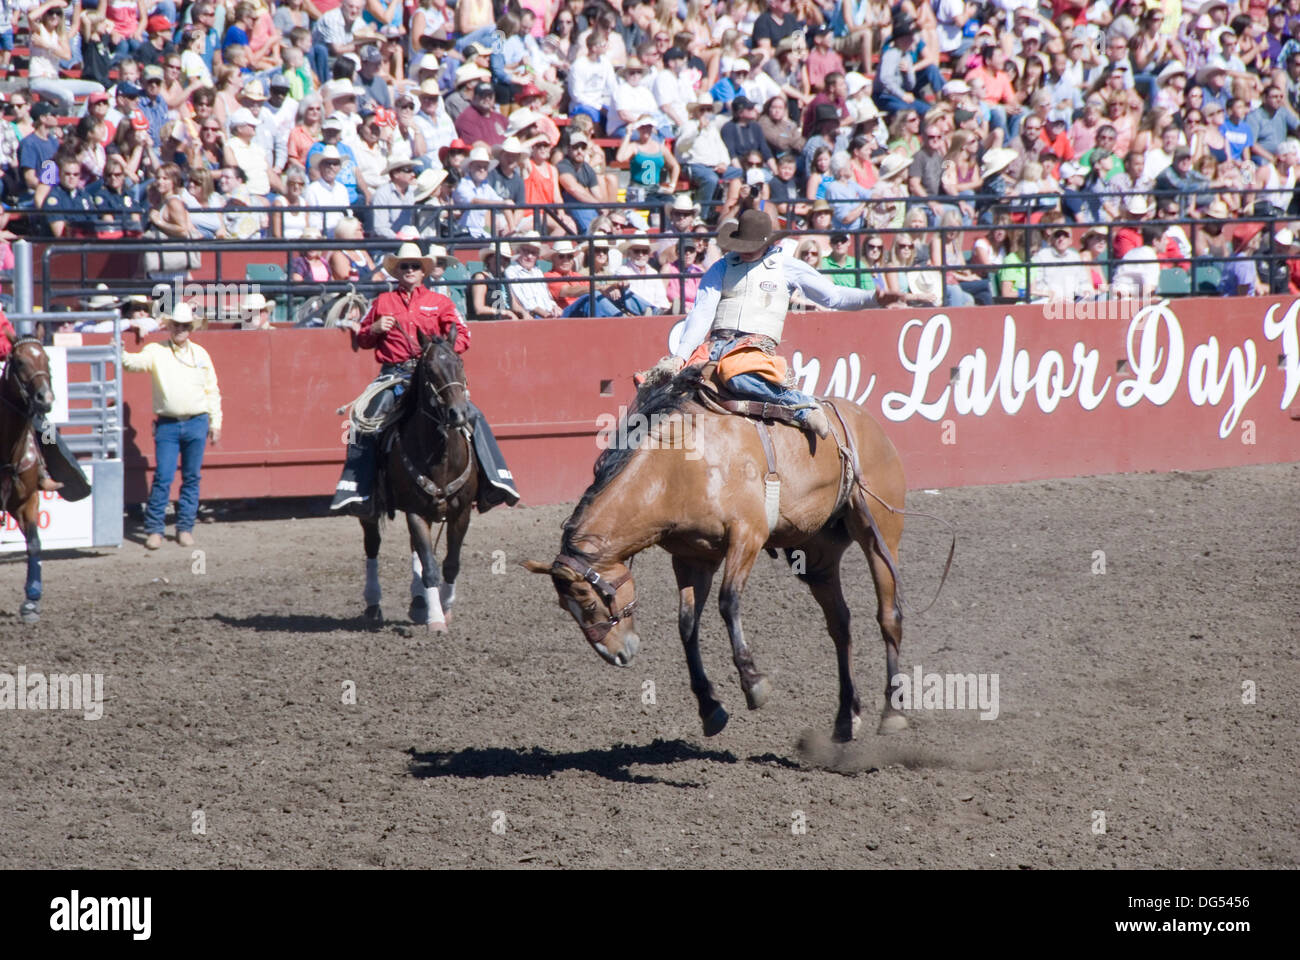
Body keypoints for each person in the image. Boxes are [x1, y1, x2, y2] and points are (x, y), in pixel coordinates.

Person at [653, 209, 884, 438]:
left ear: (765, 244)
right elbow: (702, 313)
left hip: (753, 348)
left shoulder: (786, 266)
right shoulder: (721, 266)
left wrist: (872, 297)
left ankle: (800, 406)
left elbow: (833, 296)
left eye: (749, 245)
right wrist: (680, 357)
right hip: (716, 347)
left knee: (737, 375)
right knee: (661, 388)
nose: (743, 251)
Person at [330, 242, 520, 516]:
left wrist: (439, 356)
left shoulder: (440, 303)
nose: (410, 270)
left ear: (423, 272)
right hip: (393, 376)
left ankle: (496, 482)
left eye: (415, 266)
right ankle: (357, 491)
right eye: (404, 266)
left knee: (473, 415)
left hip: (434, 376)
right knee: (365, 420)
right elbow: (363, 339)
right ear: (397, 272)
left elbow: (463, 335)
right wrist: (373, 328)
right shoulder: (382, 303)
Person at [121, 302, 222, 550]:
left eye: (184, 326)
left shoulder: (200, 354)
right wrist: (120, 353)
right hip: (169, 424)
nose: (180, 329)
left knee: (190, 477)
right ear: (170, 326)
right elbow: (132, 364)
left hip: (196, 421)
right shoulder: (156, 351)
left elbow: (212, 390)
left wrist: (215, 422)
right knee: (165, 477)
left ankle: (184, 527)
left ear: (190, 328)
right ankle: (156, 528)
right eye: (176, 325)